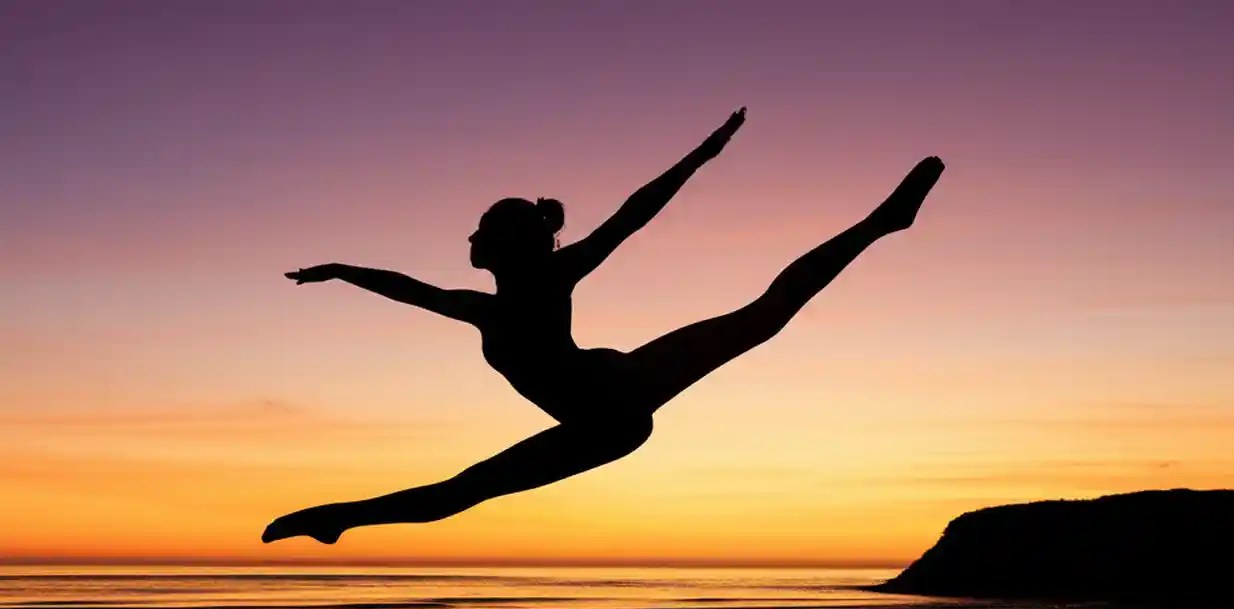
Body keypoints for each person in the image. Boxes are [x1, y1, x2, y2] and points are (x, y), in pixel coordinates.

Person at [263, 108, 944, 544]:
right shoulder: (481, 306)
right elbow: (405, 287)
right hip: (604, 418)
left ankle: (884, 221)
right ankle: (339, 518)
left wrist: (702, 155)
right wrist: (342, 271)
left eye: (490, 230)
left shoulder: (547, 280)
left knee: (762, 316)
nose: (476, 239)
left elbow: (635, 211)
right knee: (461, 492)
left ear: (505, 245)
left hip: (621, 387)